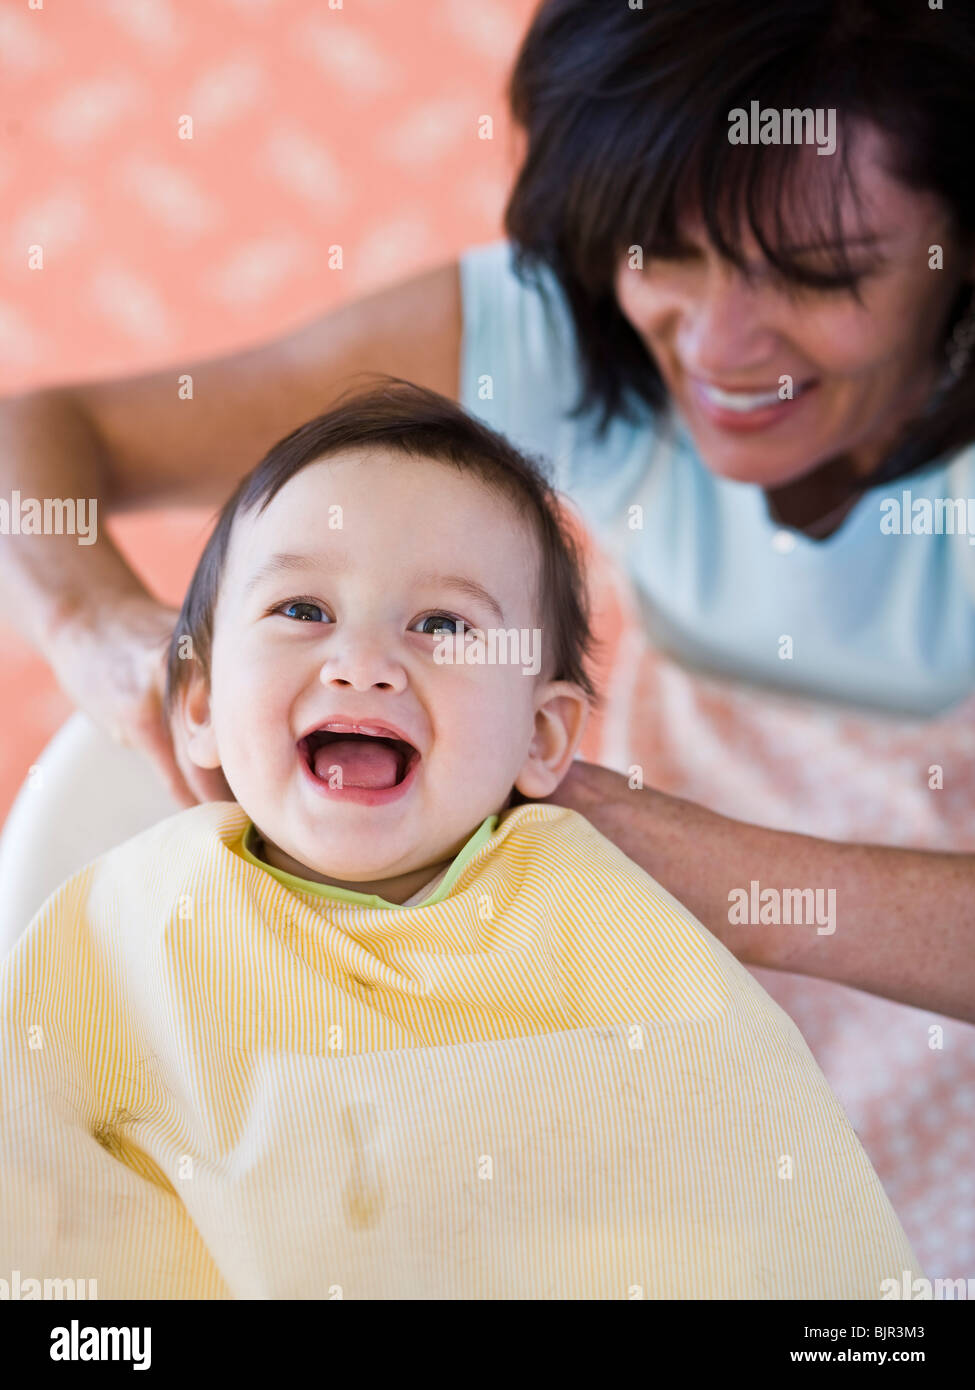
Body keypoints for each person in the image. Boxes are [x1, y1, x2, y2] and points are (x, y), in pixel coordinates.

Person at [0, 0, 972, 1268]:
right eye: (663, 249)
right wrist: (99, 624)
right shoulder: (560, 329)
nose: (720, 347)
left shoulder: (611, 904)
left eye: (821, 272)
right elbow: (39, 436)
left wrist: (702, 875)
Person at [0, 382, 921, 1298]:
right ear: (196, 706)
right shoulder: (130, 918)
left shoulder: (605, 923)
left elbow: (736, 1197)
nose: (363, 664)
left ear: (541, 737)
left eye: (442, 625)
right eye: (302, 610)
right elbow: (36, 1185)